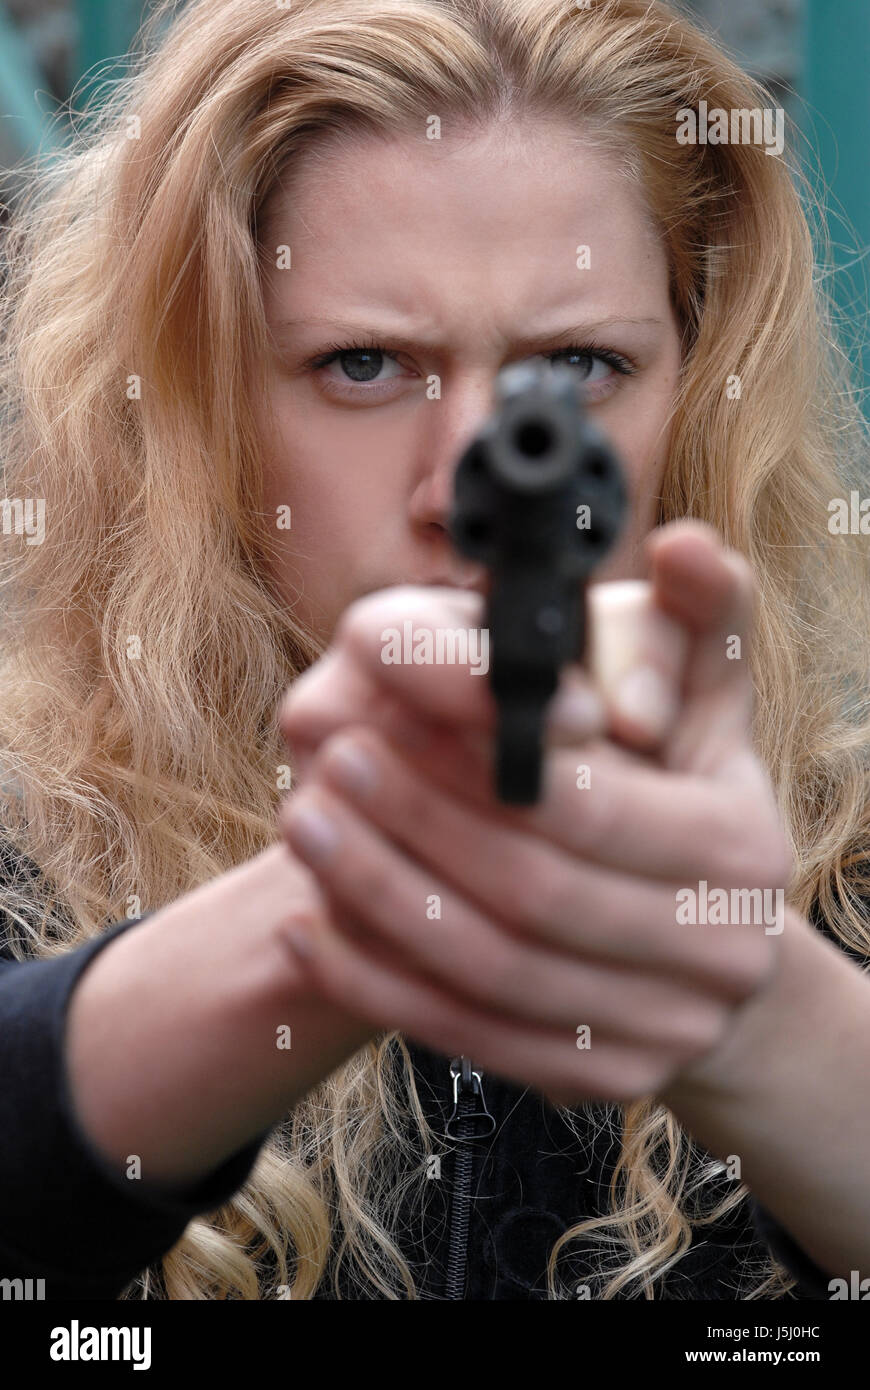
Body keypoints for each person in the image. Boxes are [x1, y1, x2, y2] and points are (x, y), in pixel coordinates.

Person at [0, 0, 868, 1302]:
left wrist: (759, 1000)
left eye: (575, 363)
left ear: (691, 377)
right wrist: (312, 933)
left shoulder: (844, 853)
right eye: (361, 363)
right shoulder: (25, 839)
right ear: (201, 399)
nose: (466, 481)